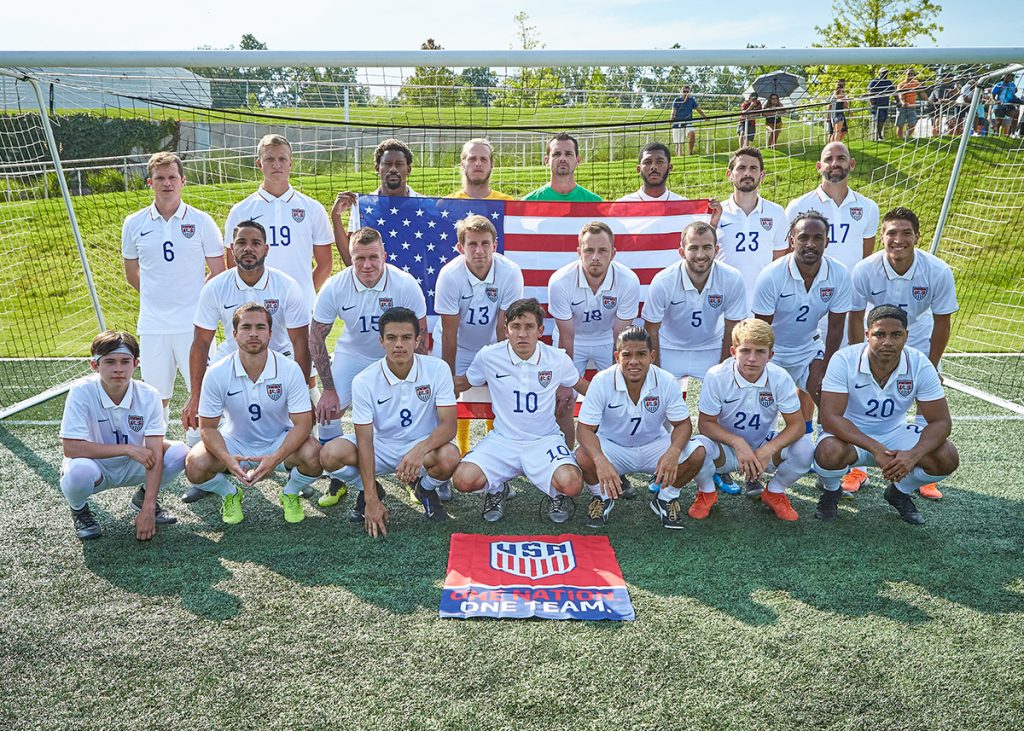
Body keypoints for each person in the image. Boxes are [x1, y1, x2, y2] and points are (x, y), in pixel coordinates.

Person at [180, 221, 311, 505]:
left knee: (304, 435)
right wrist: (195, 394)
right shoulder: (216, 287)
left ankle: (294, 476)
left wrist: (299, 386)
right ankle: (222, 480)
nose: (248, 249)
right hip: (232, 368)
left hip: (280, 369)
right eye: (241, 243)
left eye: (255, 243)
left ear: (266, 248)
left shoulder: (286, 285)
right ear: (232, 248)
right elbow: (201, 343)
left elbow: (301, 342)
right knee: (200, 440)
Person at [310, 227, 428, 509]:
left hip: (397, 356)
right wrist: (328, 389)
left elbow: (421, 337)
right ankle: (345, 480)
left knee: (414, 408)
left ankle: (416, 477)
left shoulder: (405, 284)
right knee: (328, 412)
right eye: (359, 258)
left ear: (384, 255)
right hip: (354, 355)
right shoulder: (336, 286)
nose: (366, 265)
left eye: (373, 257)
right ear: (349, 258)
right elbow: (315, 336)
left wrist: (415, 376)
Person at [812, 305, 960, 525]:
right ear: (867, 335)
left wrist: (913, 455)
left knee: (947, 456)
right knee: (827, 451)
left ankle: (899, 492)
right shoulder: (844, 360)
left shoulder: (919, 363)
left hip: (895, 433)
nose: (887, 342)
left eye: (896, 335)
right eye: (879, 334)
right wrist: (876, 449)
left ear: (906, 336)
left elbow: (941, 422)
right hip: (850, 437)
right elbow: (831, 417)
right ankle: (832, 491)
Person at [848, 207, 958, 500]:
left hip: (918, 335)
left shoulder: (937, 271)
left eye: (906, 233)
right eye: (892, 233)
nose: (899, 239)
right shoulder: (864, 269)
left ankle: (923, 473)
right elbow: (855, 315)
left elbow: (943, 321)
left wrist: (932, 366)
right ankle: (856, 466)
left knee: (927, 402)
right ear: (882, 237)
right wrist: (858, 357)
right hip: (876, 337)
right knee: (862, 396)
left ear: (917, 236)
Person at [319, 308, 460, 534]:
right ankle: (372, 490)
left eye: (406, 338)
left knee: (450, 456)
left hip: (423, 447)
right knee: (329, 454)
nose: (399, 345)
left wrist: (418, 451)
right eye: (391, 338)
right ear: (381, 341)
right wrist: (371, 497)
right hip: (381, 447)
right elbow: (365, 441)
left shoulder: (437, 369)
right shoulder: (364, 380)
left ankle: (425, 489)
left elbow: (449, 426)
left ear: (417, 340)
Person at [452, 298, 589, 524]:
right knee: (463, 480)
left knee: (572, 483)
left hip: (544, 440)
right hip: (503, 440)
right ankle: (497, 488)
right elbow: (463, 383)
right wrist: (429, 384)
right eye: (516, 327)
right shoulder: (489, 356)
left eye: (529, 327)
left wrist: (619, 394)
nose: (522, 334)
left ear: (540, 330)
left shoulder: (557, 358)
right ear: (506, 330)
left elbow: (584, 387)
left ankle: (558, 495)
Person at [184, 303, 322, 524]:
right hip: (235, 443)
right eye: (246, 327)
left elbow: (302, 425)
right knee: (194, 464)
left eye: (260, 327)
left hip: (279, 441)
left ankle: (290, 492)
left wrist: (275, 458)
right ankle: (229, 493)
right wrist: (227, 459)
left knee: (315, 455)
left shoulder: (289, 369)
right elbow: (207, 428)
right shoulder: (217, 372)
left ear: (270, 333)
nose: (254, 334)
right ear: (234, 334)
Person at [121, 152, 224, 425]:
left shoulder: (202, 221)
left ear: (183, 181)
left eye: (172, 178)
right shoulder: (133, 223)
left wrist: (195, 300)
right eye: (160, 178)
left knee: (204, 392)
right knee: (154, 398)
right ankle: (158, 450)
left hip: (194, 326)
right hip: (153, 325)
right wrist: (158, 296)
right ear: (149, 183)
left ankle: (203, 451)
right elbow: (132, 274)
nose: (167, 183)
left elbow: (219, 271)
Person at [59, 331, 186, 541]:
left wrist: (149, 507)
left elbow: (155, 450)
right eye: (110, 362)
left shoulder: (149, 395)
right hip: (96, 466)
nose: (118, 368)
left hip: (134, 465)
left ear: (136, 363)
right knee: (76, 474)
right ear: (94, 365)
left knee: (180, 452)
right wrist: (127, 449)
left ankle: (143, 498)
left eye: (125, 361)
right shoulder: (81, 391)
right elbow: (71, 448)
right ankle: (79, 510)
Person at [575, 327, 705, 529]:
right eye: (627, 355)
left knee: (697, 452)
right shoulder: (601, 381)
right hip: (613, 447)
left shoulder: (666, 380)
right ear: (617, 356)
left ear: (652, 356)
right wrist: (600, 459)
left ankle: (665, 498)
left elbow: (683, 424)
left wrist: (674, 451)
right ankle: (601, 497)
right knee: (584, 455)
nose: (634, 361)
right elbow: (584, 430)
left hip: (654, 445)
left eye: (641, 354)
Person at [692, 319, 812, 521]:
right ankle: (707, 492)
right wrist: (737, 443)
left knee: (805, 449)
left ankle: (774, 491)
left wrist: (768, 449)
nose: (752, 359)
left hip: (762, 447)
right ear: (733, 352)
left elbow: (798, 425)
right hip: (725, 449)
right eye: (745, 350)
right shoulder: (716, 375)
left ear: (770, 355)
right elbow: (705, 424)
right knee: (695, 449)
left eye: (760, 351)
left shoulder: (780, 377)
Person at [753, 211, 854, 436]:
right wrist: (765, 366)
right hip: (772, 351)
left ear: (827, 241)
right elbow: (761, 330)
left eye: (818, 238)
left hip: (806, 348)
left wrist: (826, 365)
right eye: (803, 237)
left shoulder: (839, 273)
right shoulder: (771, 275)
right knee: (762, 401)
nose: (810, 244)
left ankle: (824, 445)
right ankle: (762, 443)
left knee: (827, 392)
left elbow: (836, 327)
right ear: (791, 240)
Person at [434, 214, 524, 457]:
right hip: (457, 345)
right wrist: (448, 377)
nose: (479, 250)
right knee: (444, 401)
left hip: (492, 343)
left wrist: (502, 366)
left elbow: (503, 327)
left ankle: (496, 455)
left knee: (500, 395)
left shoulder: (510, 272)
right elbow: (450, 332)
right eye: (472, 244)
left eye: (485, 243)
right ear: (460, 247)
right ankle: (454, 453)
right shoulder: (450, 275)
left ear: (495, 246)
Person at [547, 221, 641, 452]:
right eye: (589, 250)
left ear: (614, 253)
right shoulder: (560, 281)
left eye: (602, 251)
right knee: (563, 401)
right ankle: (566, 456)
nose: (595, 257)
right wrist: (566, 384)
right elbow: (566, 336)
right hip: (573, 339)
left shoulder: (628, 280)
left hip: (608, 338)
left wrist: (615, 379)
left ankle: (610, 454)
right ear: (579, 252)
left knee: (616, 398)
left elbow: (620, 335)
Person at [224, 134, 332, 316]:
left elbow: (326, 264)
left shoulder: (312, 208)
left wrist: (301, 293)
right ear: (259, 163)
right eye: (270, 159)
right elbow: (232, 263)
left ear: (291, 162)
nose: (276, 164)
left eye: (282, 158)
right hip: (256, 308)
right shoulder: (241, 210)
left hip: (301, 308)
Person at [785, 142, 879, 344]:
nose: (835, 163)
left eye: (841, 158)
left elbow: (866, 256)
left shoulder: (869, 207)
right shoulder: (798, 206)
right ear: (819, 166)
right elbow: (788, 254)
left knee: (851, 357)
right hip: (810, 297)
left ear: (851, 164)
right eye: (828, 159)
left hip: (851, 297)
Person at [644, 221, 748, 385]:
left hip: (711, 347)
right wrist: (655, 374)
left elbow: (733, 326)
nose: (700, 255)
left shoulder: (732, 278)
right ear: (682, 252)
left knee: (723, 397)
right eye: (693, 248)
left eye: (707, 247)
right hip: (669, 348)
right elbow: (651, 328)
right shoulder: (663, 281)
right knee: (658, 398)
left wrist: (724, 369)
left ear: (717, 249)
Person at [715, 147, 789, 301]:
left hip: (762, 298)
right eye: (741, 168)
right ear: (729, 174)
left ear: (762, 175)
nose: (747, 173)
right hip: (723, 298)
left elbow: (779, 262)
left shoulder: (776, 212)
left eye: (753, 168)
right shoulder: (716, 214)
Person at [332, 138, 421, 266]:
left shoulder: (424, 205)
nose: (393, 169)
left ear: (408, 169)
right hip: (374, 284)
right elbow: (350, 260)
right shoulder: (362, 206)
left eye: (399, 164)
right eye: (387, 164)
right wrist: (336, 217)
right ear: (377, 168)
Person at [522, 132, 602, 202]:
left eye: (568, 154)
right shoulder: (528, 202)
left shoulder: (594, 202)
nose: (562, 158)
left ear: (578, 160)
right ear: (547, 160)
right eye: (557, 154)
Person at [448, 138, 515, 200]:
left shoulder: (508, 203)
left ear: (492, 165)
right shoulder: (446, 204)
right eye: (472, 159)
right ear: (462, 164)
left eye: (483, 159)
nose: (478, 163)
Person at [618, 142, 683, 201]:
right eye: (647, 162)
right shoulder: (622, 205)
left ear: (670, 168)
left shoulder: (684, 206)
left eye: (659, 162)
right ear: (639, 169)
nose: (653, 167)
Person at [670, 85, 707, 156]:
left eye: (687, 92)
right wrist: (671, 118)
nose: (686, 93)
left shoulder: (691, 100)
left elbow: (698, 109)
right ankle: (679, 157)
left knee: (692, 133)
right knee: (678, 143)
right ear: (681, 92)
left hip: (687, 122)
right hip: (677, 123)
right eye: (684, 91)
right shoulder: (677, 100)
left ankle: (690, 153)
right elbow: (673, 111)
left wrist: (704, 117)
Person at [867, 68, 895, 141]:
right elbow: (870, 93)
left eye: (886, 73)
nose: (885, 74)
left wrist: (898, 101)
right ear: (879, 73)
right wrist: (872, 103)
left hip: (885, 104)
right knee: (878, 119)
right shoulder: (874, 82)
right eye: (883, 73)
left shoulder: (888, 82)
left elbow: (894, 92)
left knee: (883, 120)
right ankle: (878, 135)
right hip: (876, 105)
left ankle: (879, 135)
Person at [895, 69, 923, 140]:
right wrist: (903, 102)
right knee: (900, 125)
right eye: (908, 74)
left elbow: (922, 92)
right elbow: (900, 95)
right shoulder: (901, 84)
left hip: (912, 107)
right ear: (905, 75)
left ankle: (907, 138)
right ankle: (900, 139)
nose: (910, 75)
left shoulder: (916, 83)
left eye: (911, 74)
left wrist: (928, 100)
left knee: (912, 124)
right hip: (902, 107)